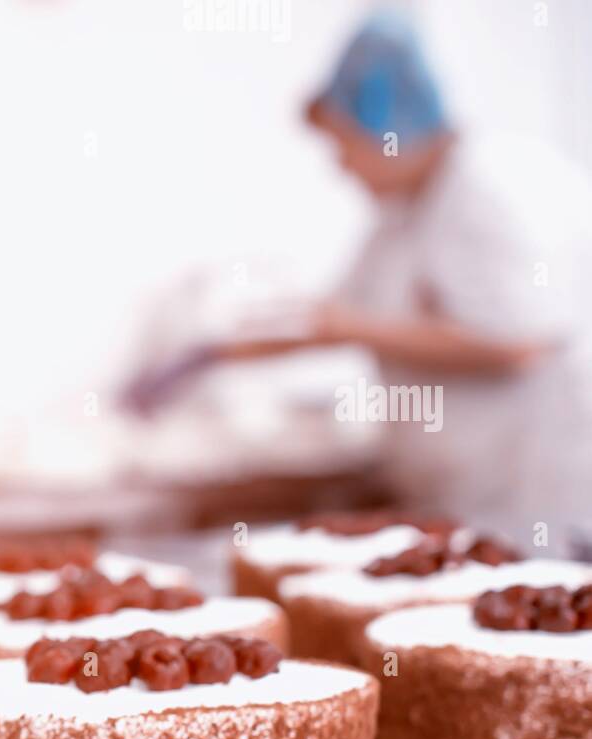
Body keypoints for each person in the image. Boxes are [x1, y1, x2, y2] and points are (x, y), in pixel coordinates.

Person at [163, 11, 592, 542]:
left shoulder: (490, 190)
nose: (341, 166)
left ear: (385, 126)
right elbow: (335, 314)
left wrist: (352, 329)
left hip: (532, 502)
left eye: (344, 145)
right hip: (462, 500)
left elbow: (520, 340)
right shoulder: (403, 213)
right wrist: (218, 350)